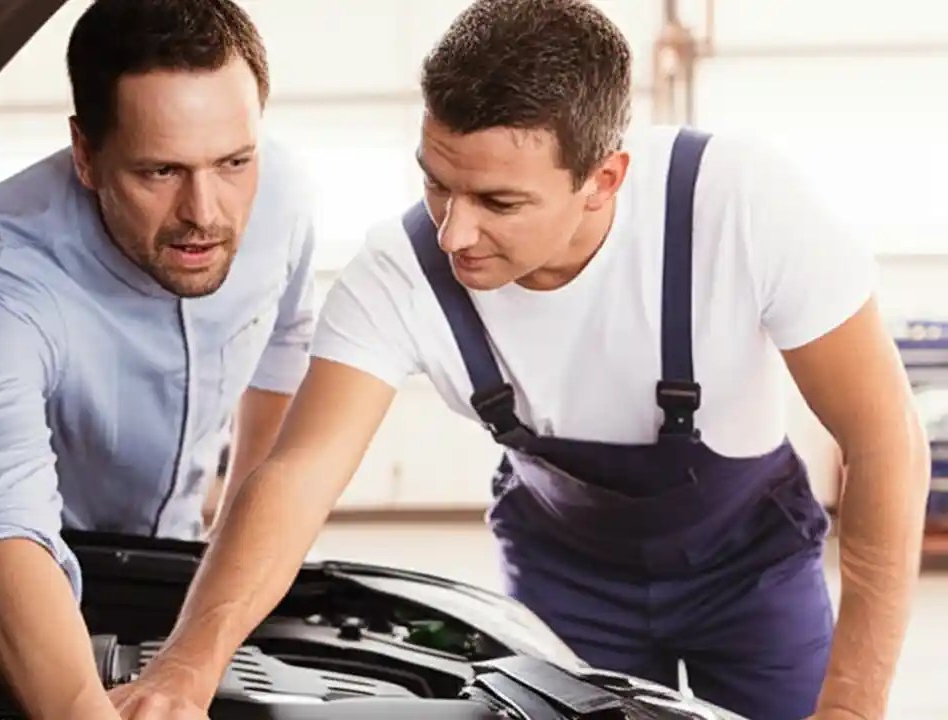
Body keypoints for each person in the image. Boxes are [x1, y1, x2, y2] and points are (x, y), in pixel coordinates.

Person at [110, 1, 930, 719]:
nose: (454, 233)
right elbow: (295, 477)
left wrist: (854, 703)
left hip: (751, 570)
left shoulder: (739, 204)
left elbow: (884, 438)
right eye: (436, 184)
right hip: (563, 574)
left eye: (499, 202)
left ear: (604, 179)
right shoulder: (398, 272)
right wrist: (188, 666)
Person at [0, 1, 319, 718]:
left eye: (233, 162)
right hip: (13, 596)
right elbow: (3, 521)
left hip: (177, 563)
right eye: (161, 171)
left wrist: (238, 540)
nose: (206, 212)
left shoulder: (281, 194)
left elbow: (282, 359)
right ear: (86, 155)